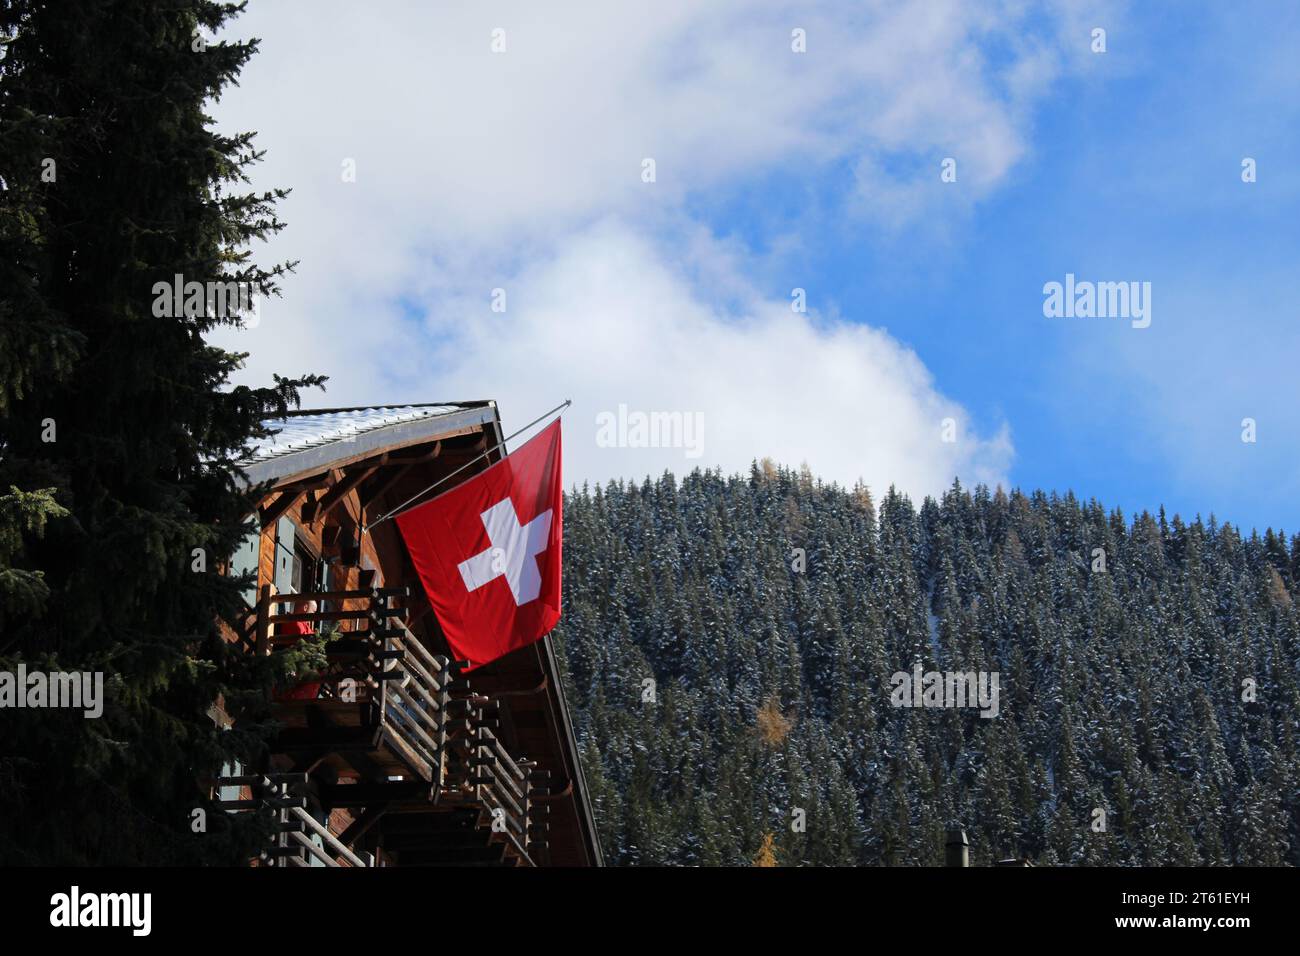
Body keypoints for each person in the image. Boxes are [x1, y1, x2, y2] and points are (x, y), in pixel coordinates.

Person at [272, 597, 324, 701]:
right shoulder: (294, 622)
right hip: (292, 663)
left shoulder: (305, 626)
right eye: (313, 612)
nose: (314, 616)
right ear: (305, 607)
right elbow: (304, 645)